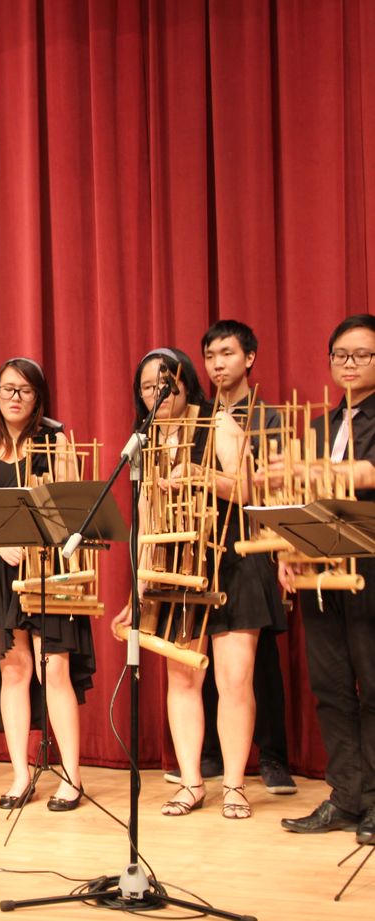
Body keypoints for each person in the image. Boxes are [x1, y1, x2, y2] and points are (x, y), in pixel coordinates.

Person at [111, 348, 254, 819]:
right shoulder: (146, 440)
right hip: (174, 565)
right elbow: (145, 519)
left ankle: (233, 784)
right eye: (148, 387)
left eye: (165, 384)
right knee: (182, 676)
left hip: (229, 561)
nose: (157, 394)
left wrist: (200, 473)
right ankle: (191, 782)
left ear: (185, 383)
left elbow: (248, 489)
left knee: (234, 679)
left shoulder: (217, 424)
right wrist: (139, 588)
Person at [0, 358, 91, 811]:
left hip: (46, 567)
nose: (14, 397)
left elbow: (72, 507)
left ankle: (72, 776)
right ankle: (19, 776)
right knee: (13, 669)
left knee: (55, 668)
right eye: (8, 389)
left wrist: (39, 541)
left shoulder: (56, 440)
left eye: (24, 391)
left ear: (37, 399)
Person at [185, 321, 294, 796]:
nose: (217, 364)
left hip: (256, 545)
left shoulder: (268, 416)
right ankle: (211, 755)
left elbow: (275, 487)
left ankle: (272, 758)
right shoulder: (198, 416)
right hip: (205, 548)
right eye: (210, 356)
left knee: (259, 660)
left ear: (249, 358)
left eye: (226, 354)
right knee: (207, 659)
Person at [278, 314, 375, 844]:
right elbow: (301, 499)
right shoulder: (318, 426)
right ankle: (346, 796)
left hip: (369, 571)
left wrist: (347, 474)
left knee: (374, 687)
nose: (349, 364)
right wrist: (288, 553)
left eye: (361, 355)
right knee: (332, 688)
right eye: (341, 354)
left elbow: (364, 477)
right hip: (321, 575)